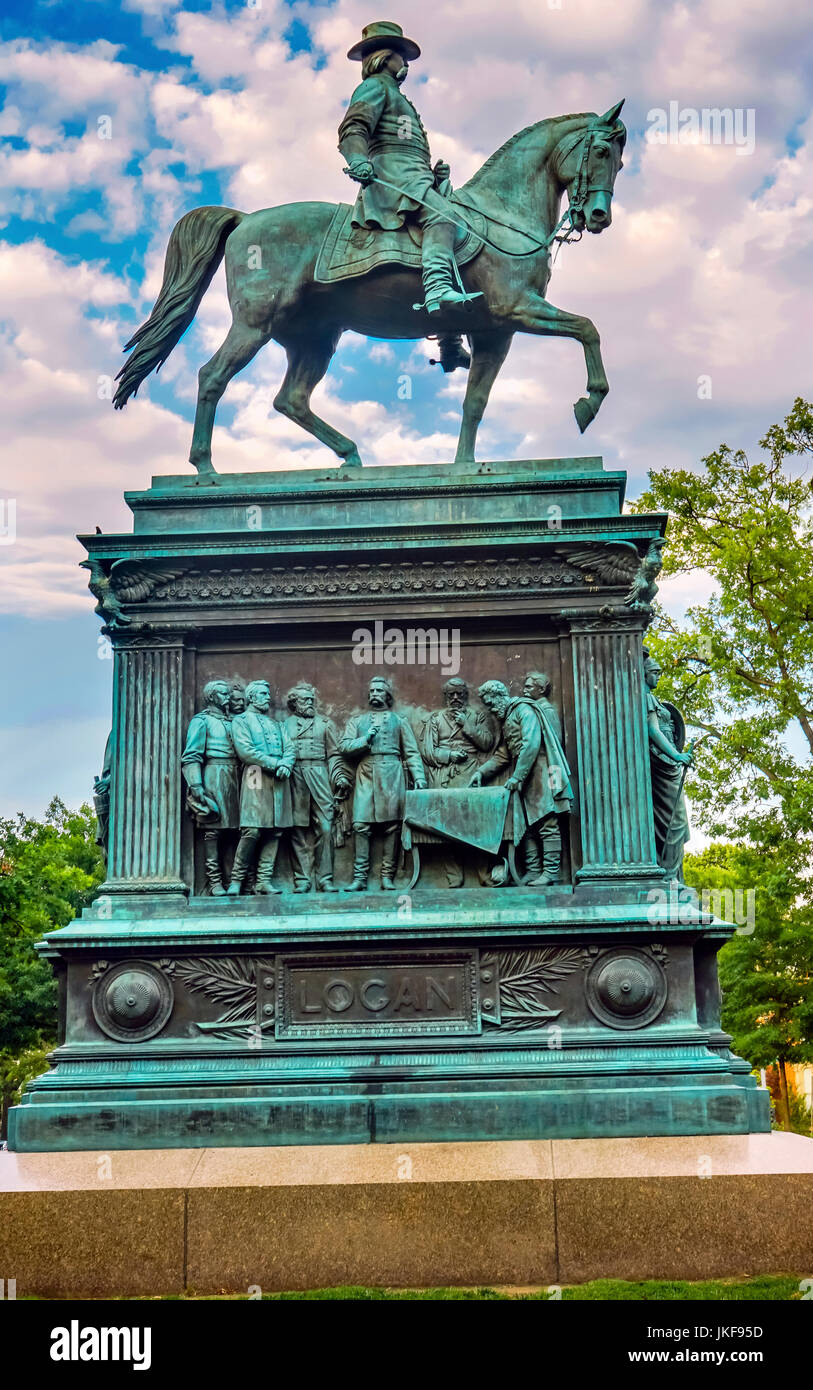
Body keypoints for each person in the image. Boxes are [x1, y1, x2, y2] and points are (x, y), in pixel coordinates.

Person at [339, 19, 476, 371]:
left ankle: (450, 341)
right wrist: (357, 158)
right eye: (401, 56)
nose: (407, 64)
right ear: (386, 58)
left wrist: (435, 175)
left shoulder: (397, 96)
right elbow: (354, 128)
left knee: (464, 231)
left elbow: (409, 147)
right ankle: (435, 292)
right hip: (391, 178)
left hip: (416, 179)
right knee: (444, 218)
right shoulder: (375, 89)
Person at [474, 679, 573, 886]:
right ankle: (533, 869)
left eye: (491, 704)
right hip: (526, 776)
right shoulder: (508, 716)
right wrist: (481, 772)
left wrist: (518, 776)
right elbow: (503, 754)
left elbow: (531, 743)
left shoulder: (523, 710)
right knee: (526, 824)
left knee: (547, 822)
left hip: (540, 773)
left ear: (500, 697)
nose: (491, 710)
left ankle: (551, 873)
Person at [340, 675, 426, 891]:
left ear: (387, 695)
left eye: (379, 691)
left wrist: (420, 778)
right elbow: (345, 747)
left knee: (392, 826)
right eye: (371, 691)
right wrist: (365, 740)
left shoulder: (400, 721)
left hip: (392, 773)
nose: (374, 695)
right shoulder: (357, 722)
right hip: (367, 773)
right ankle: (359, 878)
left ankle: (387, 876)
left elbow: (412, 753)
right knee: (360, 825)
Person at [284, 682, 352, 893]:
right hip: (295, 775)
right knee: (297, 829)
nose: (311, 703)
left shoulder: (325, 723)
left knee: (325, 826)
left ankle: (325, 878)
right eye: (305, 700)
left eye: (312, 700)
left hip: (320, 774)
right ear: (294, 704)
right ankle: (302, 879)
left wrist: (339, 776)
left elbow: (333, 754)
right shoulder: (284, 726)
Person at [229, 680, 295, 894]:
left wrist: (286, 763)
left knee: (275, 830)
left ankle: (263, 880)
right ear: (251, 697)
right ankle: (237, 880)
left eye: (268, 693)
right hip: (255, 774)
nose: (269, 697)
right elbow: (245, 751)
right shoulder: (241, 721)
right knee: (252, 828)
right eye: (264, 694)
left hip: (279, 778)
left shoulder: (276, 724)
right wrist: (276, 763)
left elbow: (290, 748)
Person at [181, 681, 240, 896]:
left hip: (237, 777)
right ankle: (214, 882)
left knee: (235, 831)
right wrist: (196, 784)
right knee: (213, 830)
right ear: (212, 697)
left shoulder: (235, 721)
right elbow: (191, 755)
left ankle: (235, 880)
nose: (228, 697)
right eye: (223, 693)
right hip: (214, 774)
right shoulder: (202, 721)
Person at [643, 650, 693, 880]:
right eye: (654, 672)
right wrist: (677, 755)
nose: (658, 676)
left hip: (669, 764)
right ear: (643, 674)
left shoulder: (653, 699)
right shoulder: (645, 698)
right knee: (676, 820)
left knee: (676, 821)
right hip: (663, 764)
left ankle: (673, 875)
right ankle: (669, 876)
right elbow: (653, 730)